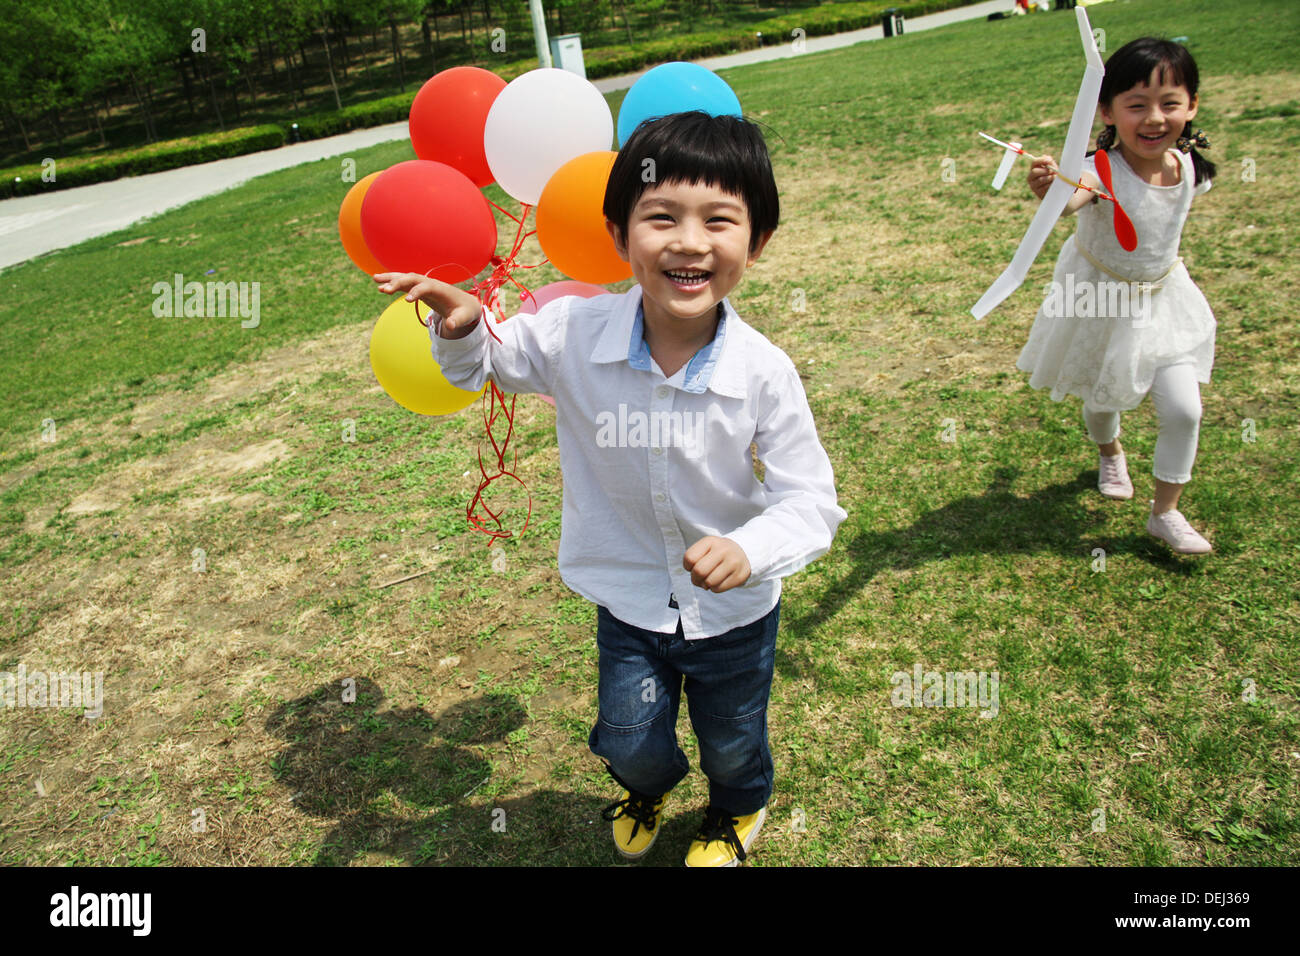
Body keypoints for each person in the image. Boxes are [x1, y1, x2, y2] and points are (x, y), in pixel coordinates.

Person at [374, 111, 846, 865]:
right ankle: (647, 786)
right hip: (627, 597)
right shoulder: (570, 336)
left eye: (719, 221)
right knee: (628, 734)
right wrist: (464, 325)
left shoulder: (763, 370)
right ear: (620, 235)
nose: (689, 242)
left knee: (731, 738)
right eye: (661, 217)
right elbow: (484, 366)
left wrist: (751, 548)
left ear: (755, 244)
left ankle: (738, 804)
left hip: (733, 610)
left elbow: (810, 498)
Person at [1017, 37, 1217, 555]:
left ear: (1192, 105)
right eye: (1136, 105)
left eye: (1170, 103)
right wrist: (1051, 190)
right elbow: (1072, 195)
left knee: (1185, 410)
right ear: (1106, 111)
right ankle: (1109, 450)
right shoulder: (1099, 170)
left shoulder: (1189, 167)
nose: (1154, 118)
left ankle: (1165, 512)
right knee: (1100, 394)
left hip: (1164, 299)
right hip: (1100, 301)